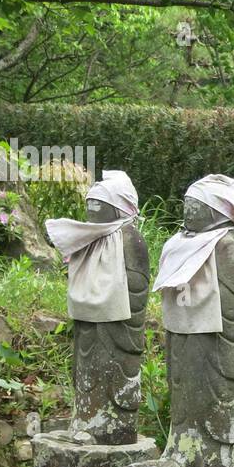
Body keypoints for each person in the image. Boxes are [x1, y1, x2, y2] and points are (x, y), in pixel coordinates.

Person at [152, 174, 234, 467]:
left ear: (217, 211)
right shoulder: (177, 244)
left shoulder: (225, 246)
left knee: (208, 390)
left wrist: (224, 332)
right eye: (188, 203)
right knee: (181, 387)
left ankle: (209, 454)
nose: (189, 210)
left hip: (212, 337)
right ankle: (181, 446)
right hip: (181, 330)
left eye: (197, 205)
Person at [44, 170, 148, 445]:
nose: (91, 209)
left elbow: (138, 288)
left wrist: (111, 298)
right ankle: (85, 419)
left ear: (118, 207)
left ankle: (111, 426)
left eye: (98, 204)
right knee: (85, 370)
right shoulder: (86, 238)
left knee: (110, 370)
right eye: (90, 203)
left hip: (116, 325)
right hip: (87, 320)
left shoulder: (130, 238)